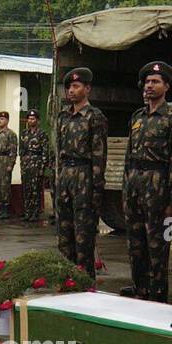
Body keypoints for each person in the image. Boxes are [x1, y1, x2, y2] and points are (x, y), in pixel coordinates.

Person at [121, 61, 172, 302]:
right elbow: (129, 155)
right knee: (135, 240)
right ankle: (140, 286)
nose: (149, 85)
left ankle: (158, 291)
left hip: (157, 185)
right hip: (135, 184)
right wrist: (125, 186)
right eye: (147, 82)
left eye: (155, 82)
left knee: (157, 242)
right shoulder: (137, 116)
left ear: (166, 86)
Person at [54, 67, 107, 277]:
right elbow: (58, 151)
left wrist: (96, 190)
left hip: (84, 176)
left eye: (76, 86)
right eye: (69, 87)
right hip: (65, 175)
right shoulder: (63, 116)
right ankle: (66, 281)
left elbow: (99, 155)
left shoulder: (95, 117)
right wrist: (57, 181)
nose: (71, 91)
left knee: (83, 236)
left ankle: (84, 283)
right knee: (64, 235)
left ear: (87, 89)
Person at [19, 108, 50, 223]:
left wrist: (42, 167)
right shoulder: (24, 133)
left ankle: (35, 213)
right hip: (26, 163)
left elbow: (45, 151)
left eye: (33, 118)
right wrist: (22, 163)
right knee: (26, 188)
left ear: (37, 120)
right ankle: (27, 212)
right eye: (29, 119)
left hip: (37, 162)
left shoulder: (42, 134)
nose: (31, 120)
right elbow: (22, 150)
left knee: (35, 189)